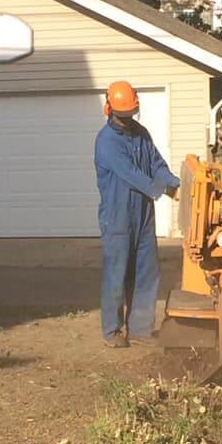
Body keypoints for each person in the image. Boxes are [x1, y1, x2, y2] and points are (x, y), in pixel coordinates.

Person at [94, 81, 180, 347]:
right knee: (117, 273)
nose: (126, 120)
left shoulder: (141, 133)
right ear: (110, 109)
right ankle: (112, 331)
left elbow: (156, 163)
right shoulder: (106, 141)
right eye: (122, 115)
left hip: (143, 214)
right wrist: (162, 189)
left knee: (146, 271)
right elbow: (130, 174)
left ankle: (140, 328)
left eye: (129, 114)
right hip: (117, 215)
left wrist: (176, 183)